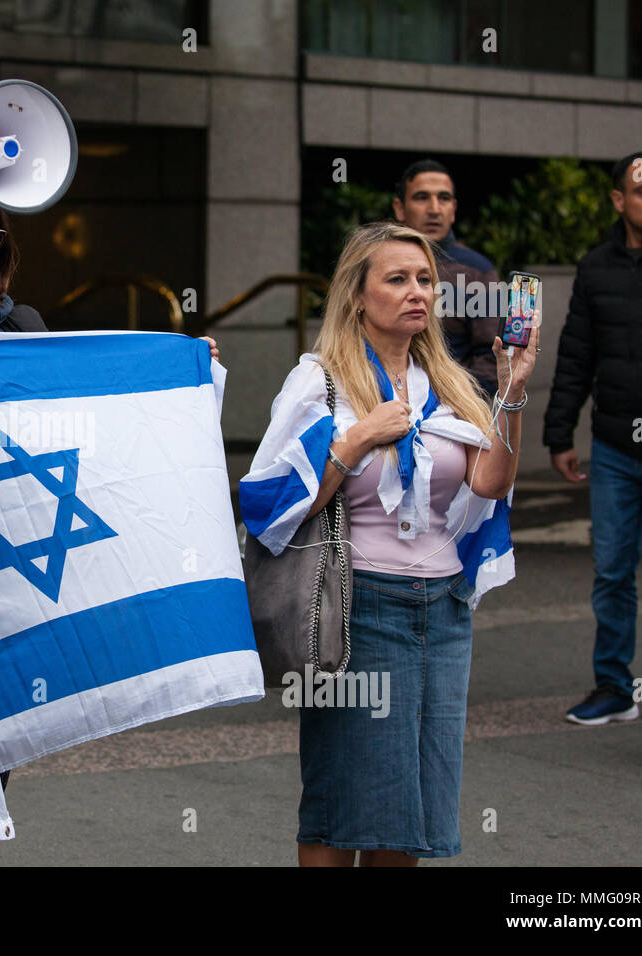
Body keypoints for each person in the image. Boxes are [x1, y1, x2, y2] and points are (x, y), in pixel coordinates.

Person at [242, 222, 537, 865]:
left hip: (446, 611)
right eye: (397, 279)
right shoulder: (320, 382)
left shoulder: (450, 383)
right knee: (344, 798)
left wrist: (512, 392)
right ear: (357, 294)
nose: (417, 293)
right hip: (360, 607)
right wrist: (353, 442)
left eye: (426, 280)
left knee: (414, 808)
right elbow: (269, 507)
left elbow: (490, 482)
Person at [546, 151, 642, 727]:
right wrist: (559, 432)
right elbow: (577, 354)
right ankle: (613, 686)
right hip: (612, 448)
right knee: (612, 572)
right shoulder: (596, 267)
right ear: (618, 200)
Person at [393, 159, 500, 396]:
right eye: (422, 197)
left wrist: (456, 409)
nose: (434, 209)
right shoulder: (378, 264)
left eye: (443, 198)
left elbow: (492, 358)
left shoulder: (478, 271)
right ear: (399, 207)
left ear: (453, 208)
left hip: (455, 410)